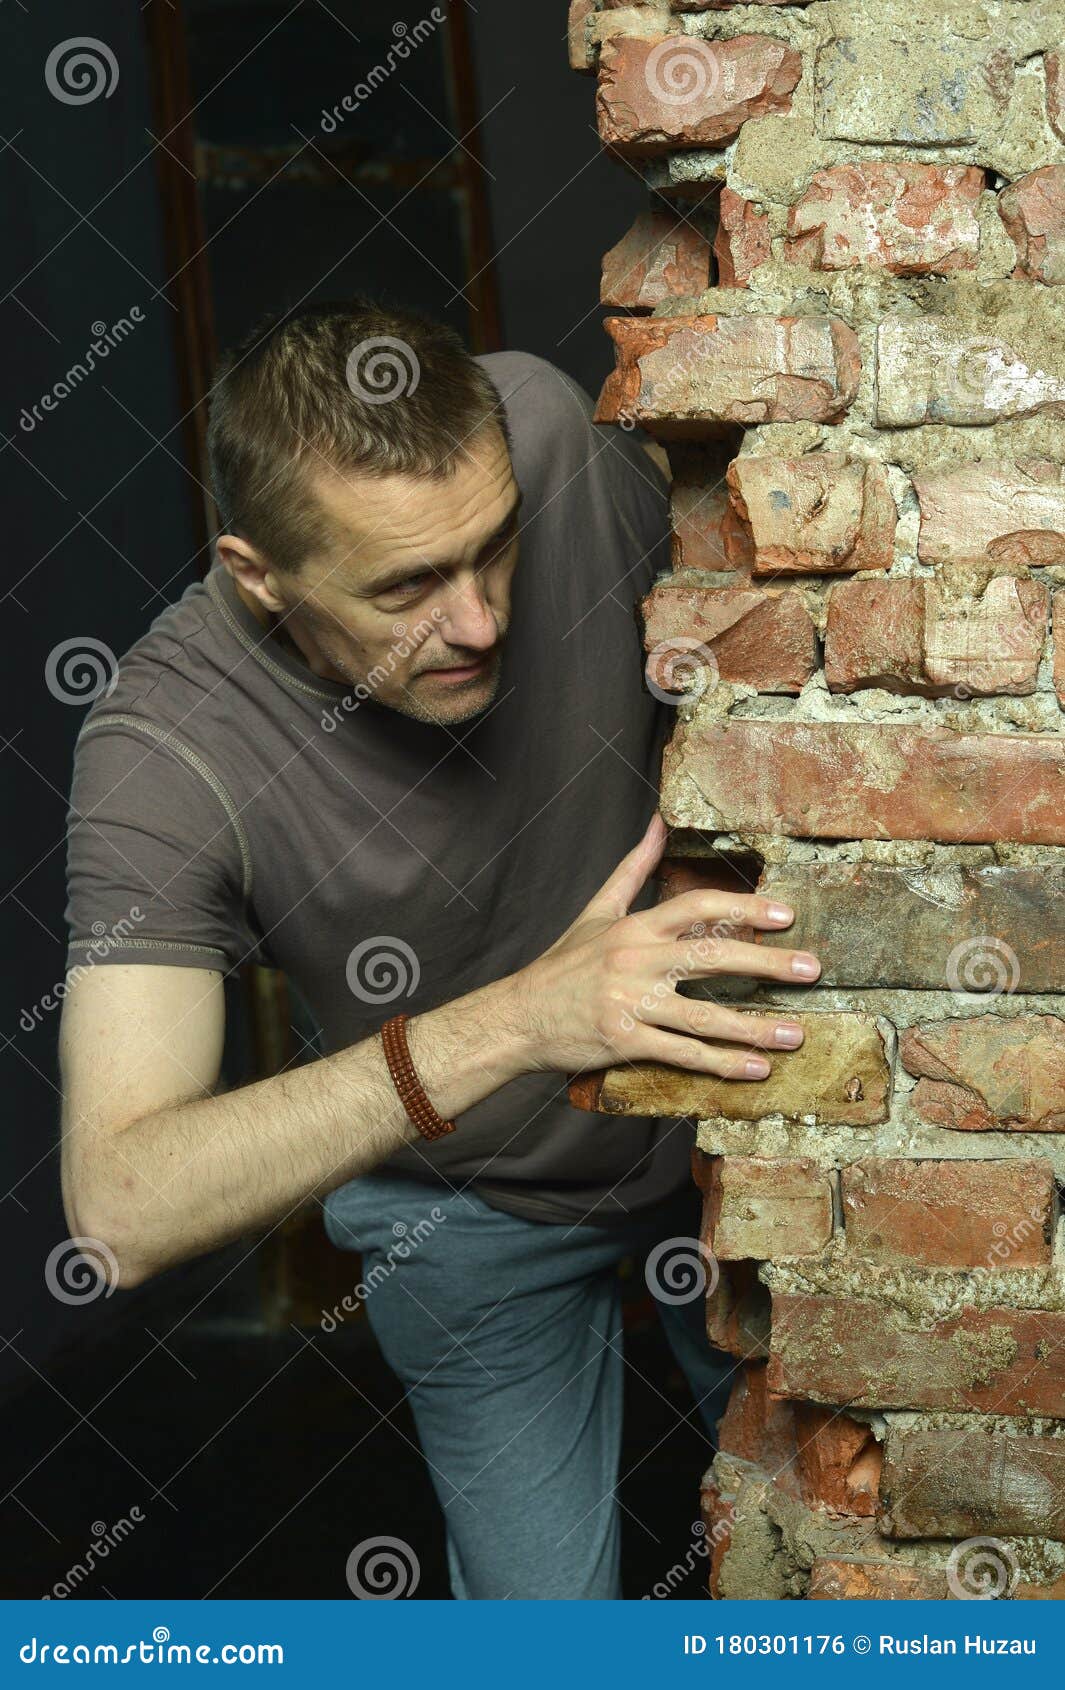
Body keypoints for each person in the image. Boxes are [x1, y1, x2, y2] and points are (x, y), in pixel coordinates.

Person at [60, 299, 821, 1599]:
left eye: (491, 551)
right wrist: (525, 1019)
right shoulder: (162, 753)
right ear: (260, 576)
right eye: (406, 586)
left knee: (833, 1572)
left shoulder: (539, 432)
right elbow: (121, 1206)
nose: (476, 622)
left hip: (721, 1127)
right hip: (462, 1208)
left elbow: (750, 601)